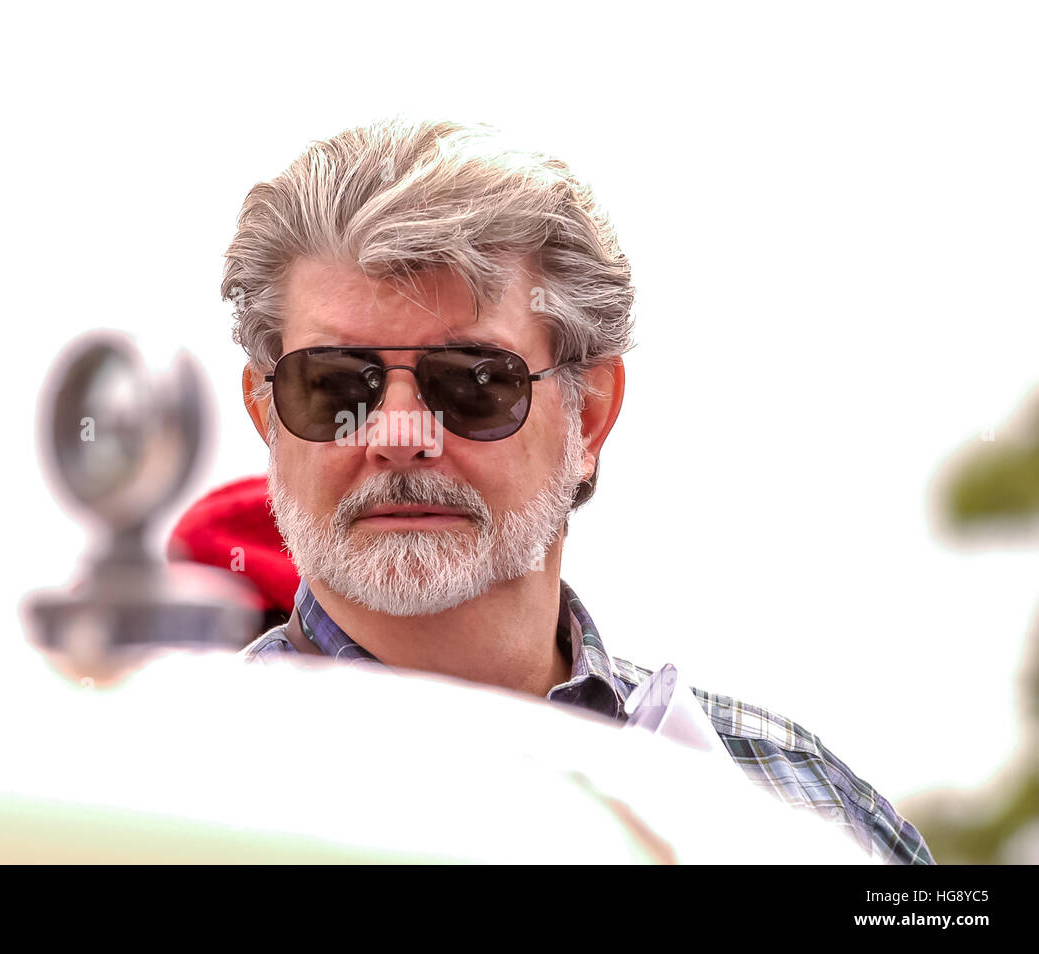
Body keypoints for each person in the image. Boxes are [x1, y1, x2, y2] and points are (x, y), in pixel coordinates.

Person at [218, 116, 934, 864]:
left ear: (588, 417)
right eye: (334, 385)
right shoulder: (140, 799)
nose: (398, 433)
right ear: (267, 414)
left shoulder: (800, 807)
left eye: (471, 382)